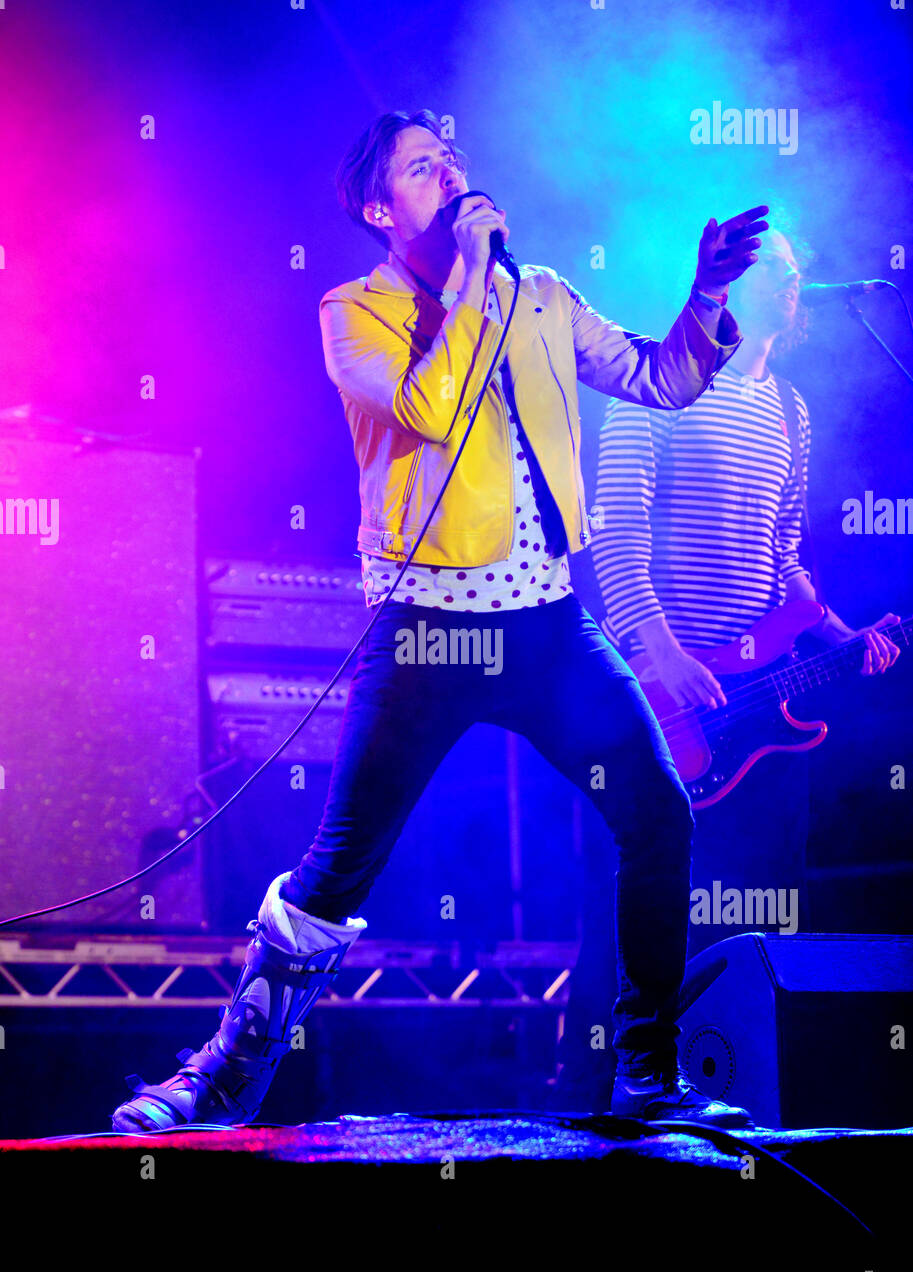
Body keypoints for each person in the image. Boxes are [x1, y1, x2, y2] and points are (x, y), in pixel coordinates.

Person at [111, 107, 770, 1135]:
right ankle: (217, 1081)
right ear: (381, 209)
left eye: (453, 157)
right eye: (425, 168)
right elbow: (425, 407)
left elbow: (661, 378)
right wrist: (467, 283)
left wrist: (706, 294)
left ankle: (645, 1072)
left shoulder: (542, 297)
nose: (452, 174)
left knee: (655, 811)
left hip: (550, 629)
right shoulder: (354, 311)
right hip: (425, 633)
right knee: (335, 870)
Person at [556, 225, 900, 1108]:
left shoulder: (790, 411)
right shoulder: (651, 392)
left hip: (759, 717)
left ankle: (739, 1110)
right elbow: (614, 535)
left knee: (757, 918)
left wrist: (838, 637)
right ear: (727, 281)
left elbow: (783, 559)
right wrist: (659, 652)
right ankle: (587, 1108)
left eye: (793, 268)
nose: (790, 279)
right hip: (662, 699)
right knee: (634, 915)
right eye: (771, 267)